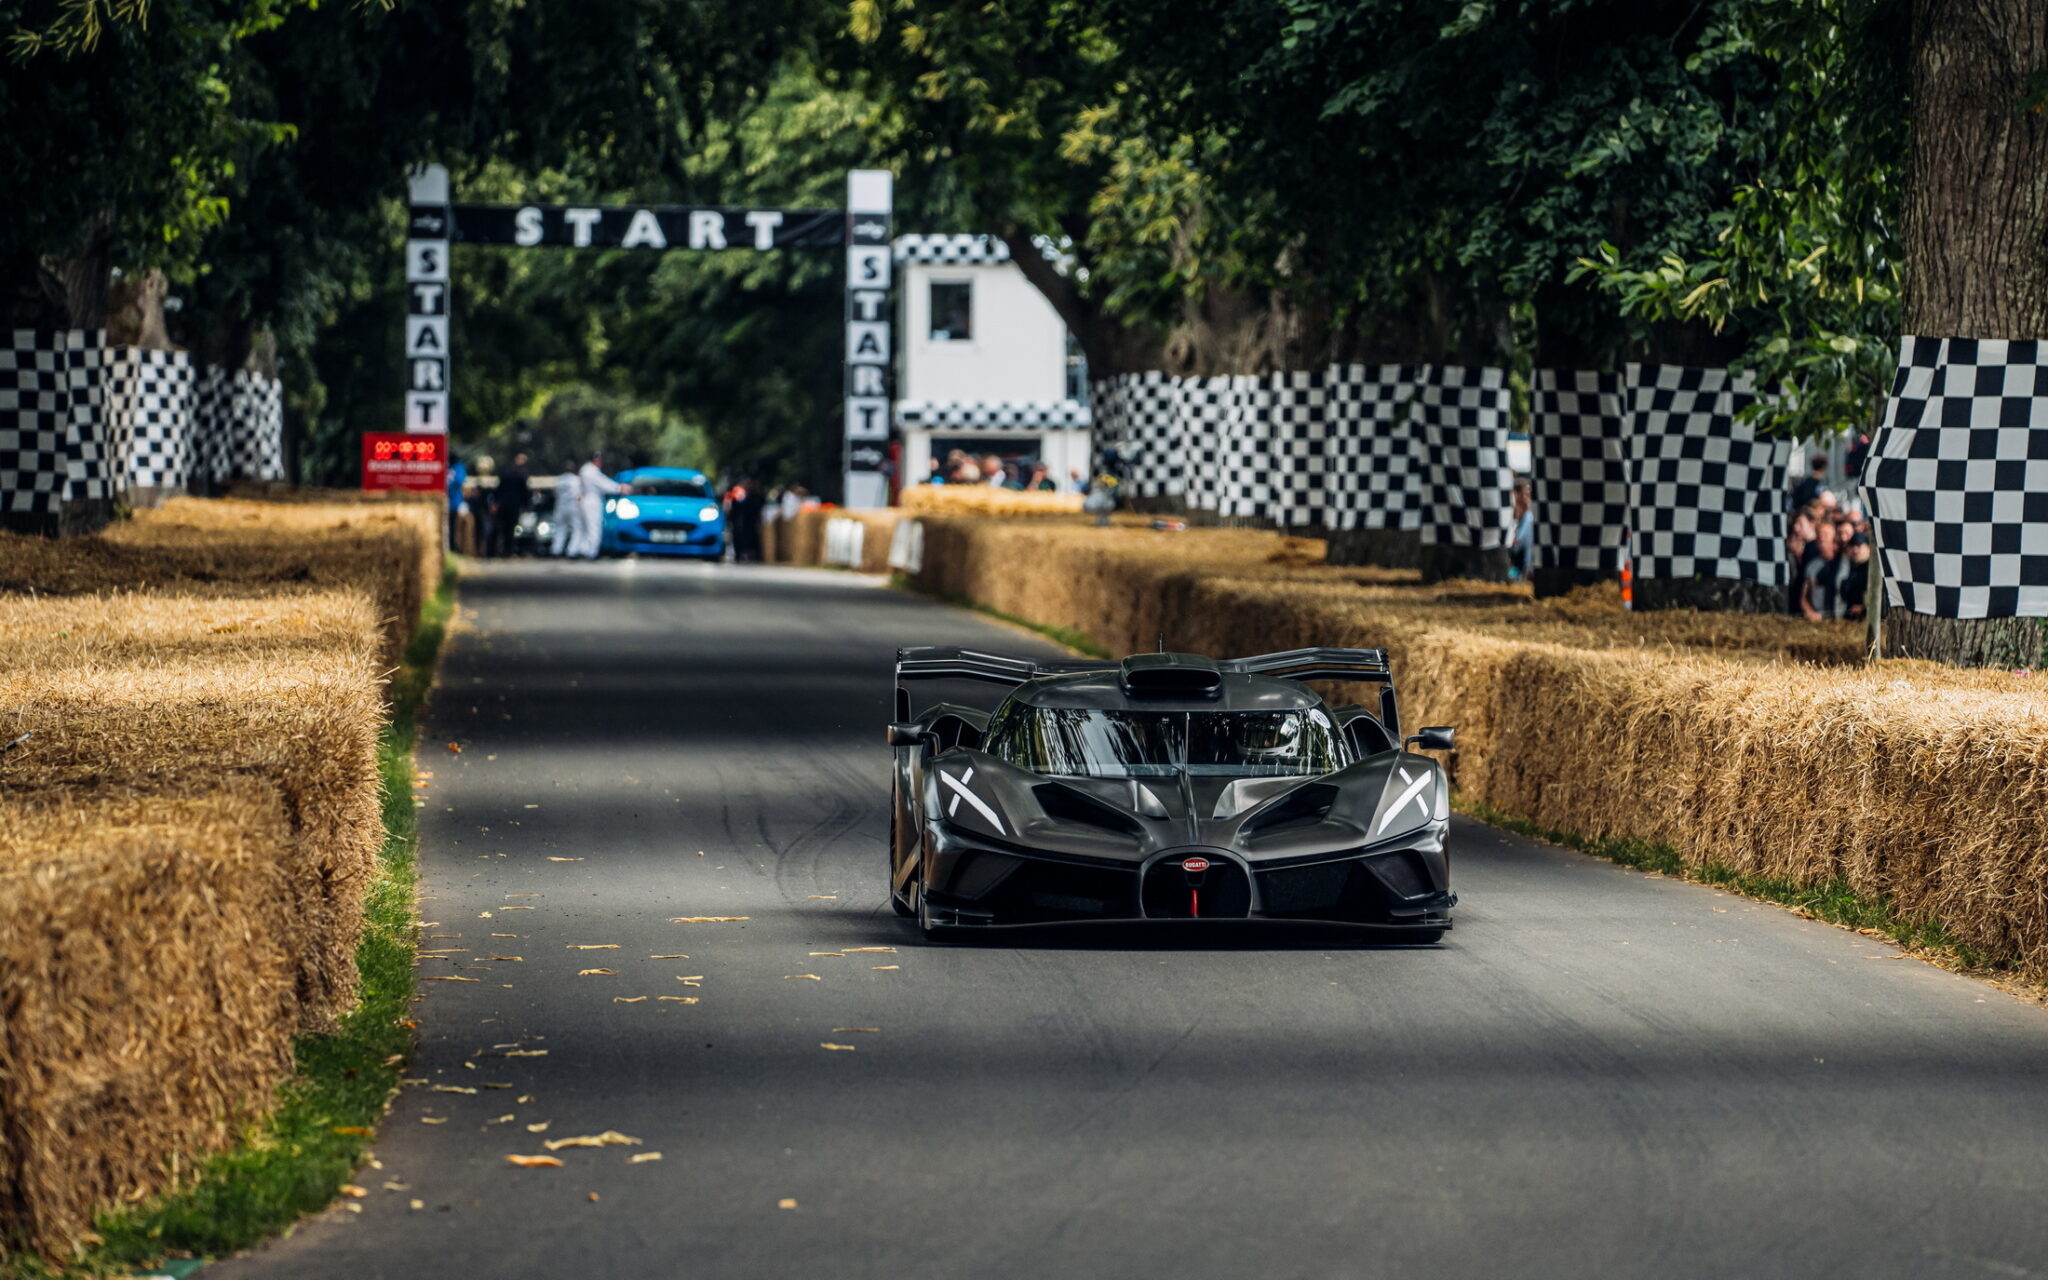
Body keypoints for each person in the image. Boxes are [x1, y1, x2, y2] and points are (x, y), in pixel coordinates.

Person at [572, 451, 625, 559]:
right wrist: (618, 488)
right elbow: (603, 483)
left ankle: (584, 549)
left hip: (585, 500)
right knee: (594, 526)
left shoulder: (584, 469)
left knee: (586, 527)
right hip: (592, 500)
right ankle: (591, 552)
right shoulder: (591, 471)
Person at [491, 452, 530, 557]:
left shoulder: (505, 473)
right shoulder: (522, 475)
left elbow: (498, 489)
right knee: (511, 528)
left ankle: (502, 550)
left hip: (503, 504)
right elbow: (525, 492)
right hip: (514, 505)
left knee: (503, 528)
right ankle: (509, 550)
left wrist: (495, 502)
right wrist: (526, 505)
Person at [549, 460, 581, 557]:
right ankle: (572, 551)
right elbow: (579, 496)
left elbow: (554, 494)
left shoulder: (559, 479)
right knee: (577, 529)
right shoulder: (576, 480)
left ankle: (556, 550)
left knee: (560, 529)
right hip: (573, 507)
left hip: (560, 507)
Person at [1508, 478, 1535, 579]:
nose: (1527, 499)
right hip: (1512, 570)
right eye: (1525, 494)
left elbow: (1518, 545)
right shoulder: (1508, 517)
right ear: (1515, 494)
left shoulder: (1529, 519)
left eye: (1529, 495)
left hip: (1520, 570)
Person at [445, 452, 469, 551]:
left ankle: (453, 546)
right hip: (452, 501)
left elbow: (459, 481)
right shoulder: (457, 468)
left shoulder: (457, 467)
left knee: (453, 526)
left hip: (453, 502)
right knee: (450, 526)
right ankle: (451, 547)